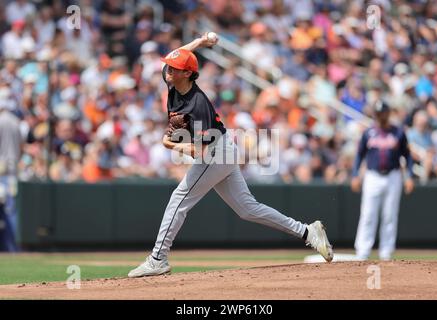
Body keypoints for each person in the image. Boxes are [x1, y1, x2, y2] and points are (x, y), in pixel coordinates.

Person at [128, 33, 334, 278]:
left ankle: (158, 258)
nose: (167, 69)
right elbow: (178, 56)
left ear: (186, 73)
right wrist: (199, 42)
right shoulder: (174, 80)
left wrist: (174, 145)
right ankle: (308, 232)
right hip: (222, 150)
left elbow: (200, 149)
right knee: (248, 208)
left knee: (179, 198)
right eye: (169, 67)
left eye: (174, 68)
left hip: (217, 152)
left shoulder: (197, 104)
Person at [351, 100, 415, 261]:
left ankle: (386, 251)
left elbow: (407, 155)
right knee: (368, 214)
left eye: (382, 113)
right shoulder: (368, 133)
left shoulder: (398, 132)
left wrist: (409, 176)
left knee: (389, 215)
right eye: (378, 113)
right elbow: (359, 155)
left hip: (393, 176)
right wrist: (355, 175)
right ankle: (362, 251)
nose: (380, 116)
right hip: (372, 176)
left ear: (387, 113)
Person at [0, 87, 22, 252]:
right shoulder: (15, 121)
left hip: (2, 171)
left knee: (8, 211)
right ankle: (13, 249)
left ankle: (9, 248)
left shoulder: (1, 120)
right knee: (11, 210)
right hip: (13, 171)